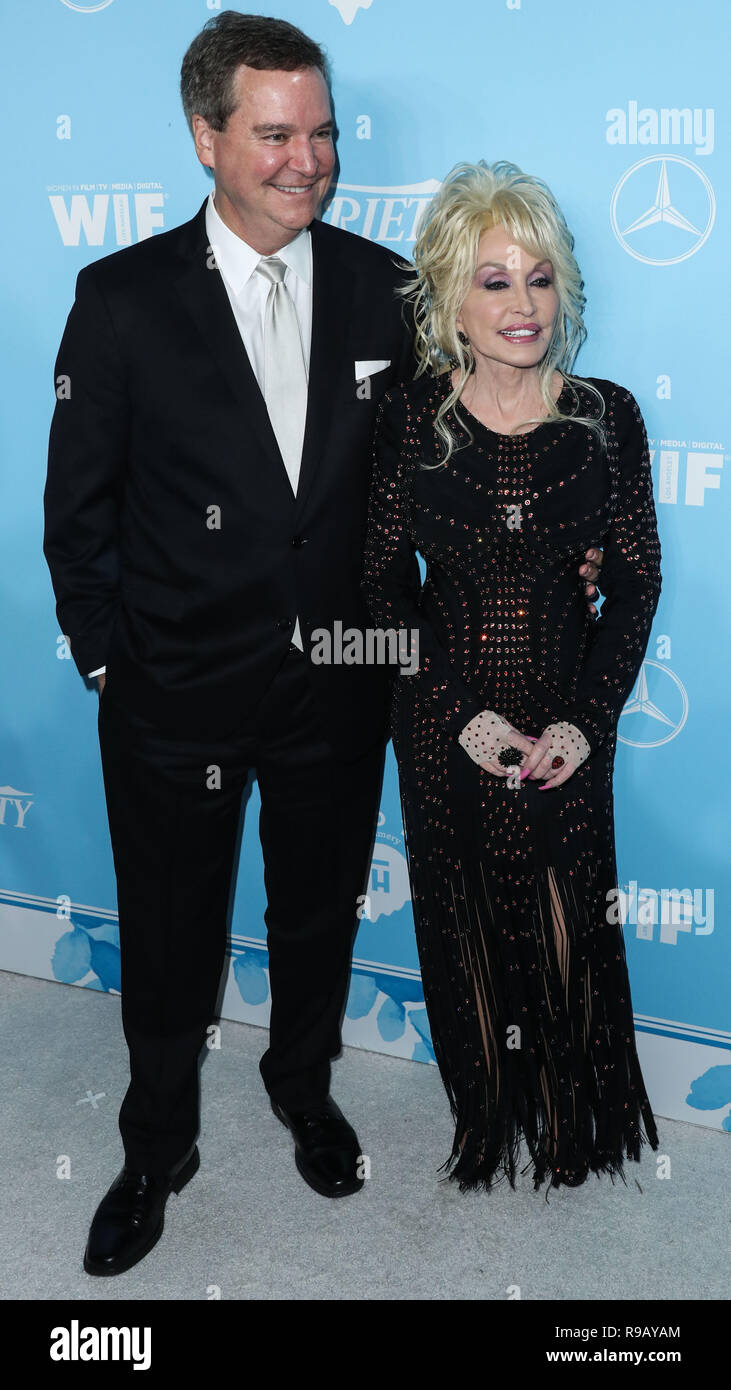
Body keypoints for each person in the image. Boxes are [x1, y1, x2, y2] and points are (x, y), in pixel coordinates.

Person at [43, 13, 602, 1276]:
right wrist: (107, 663)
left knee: (314, 917)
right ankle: (155, 1144)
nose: (307, 159)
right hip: (171, 690)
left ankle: (304, 1088)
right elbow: (75, 517)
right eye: (275, 133)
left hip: (342, 684)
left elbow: (461, 456)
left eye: (324, 132)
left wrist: (563, 542)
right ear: (207, 137)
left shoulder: (377, 289)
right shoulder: (121, 300)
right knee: (170, 928)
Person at [362, 159, 661, 1192]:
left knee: (566, 915)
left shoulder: (603, 417)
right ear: (448, 296)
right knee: (462, 922)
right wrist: (462, 718)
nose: (520, 304)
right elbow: (381, 595)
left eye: (537, 277)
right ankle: (487, 1112)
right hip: (446, 718)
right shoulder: (407, 421)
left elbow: (633, 585)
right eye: (491, 280)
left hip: (564, 715)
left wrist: (580, 723)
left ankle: (572, 1115)